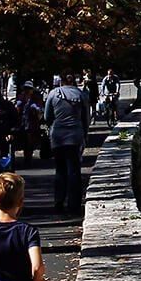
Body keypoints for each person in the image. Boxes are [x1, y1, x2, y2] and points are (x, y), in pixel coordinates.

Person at [43, 75, 89, 214]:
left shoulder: (53, 94)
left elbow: (47, 117)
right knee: (74, 170)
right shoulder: (80, 94)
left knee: (60, 169)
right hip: (74, 136)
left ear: (61, 81)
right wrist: (84, 134)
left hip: (58, 137)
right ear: (74, 81)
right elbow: (86, 117)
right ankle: (74, 204)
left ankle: (59, 201)